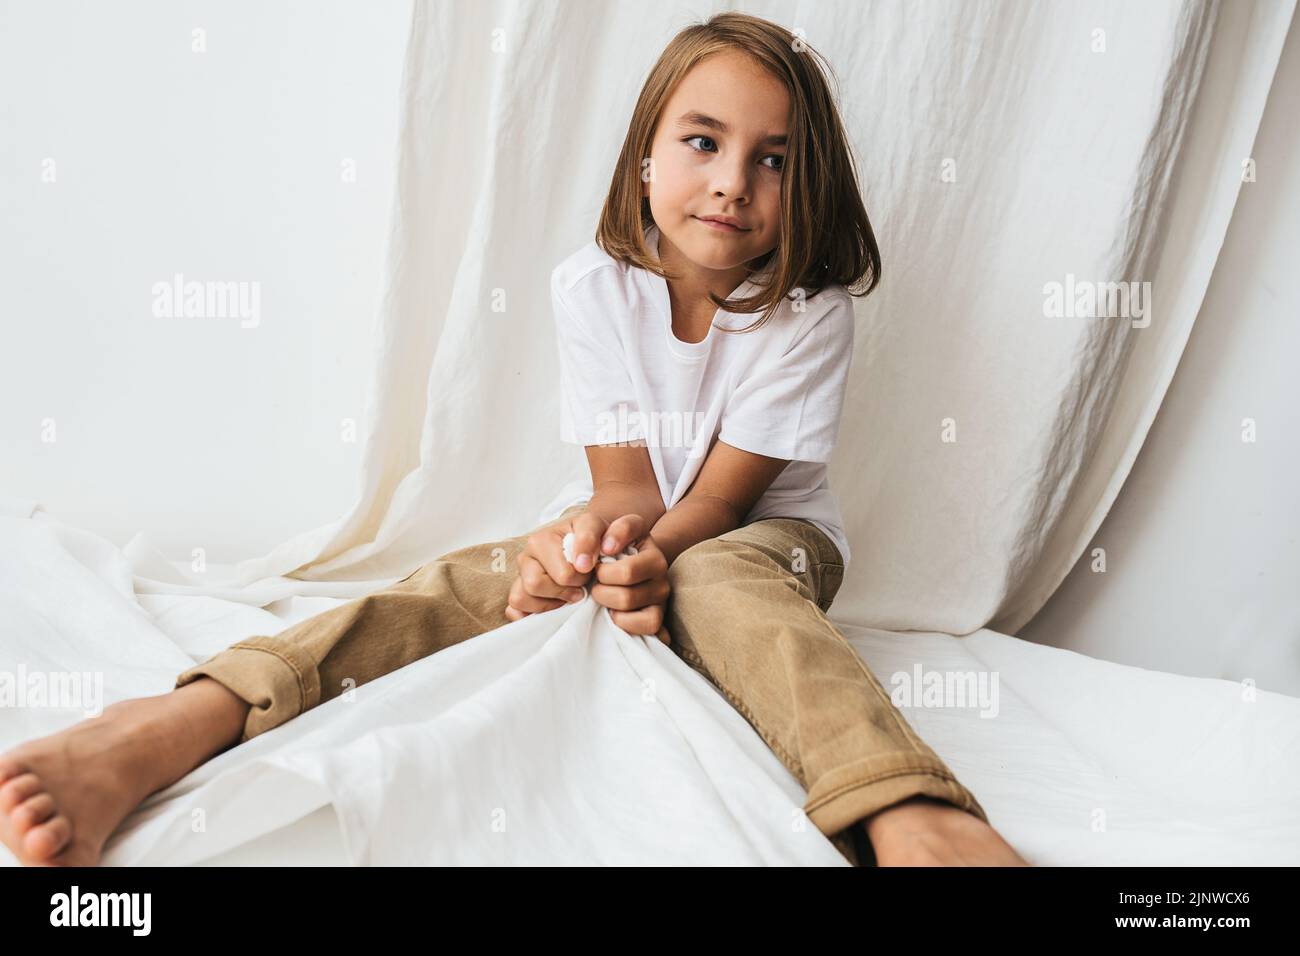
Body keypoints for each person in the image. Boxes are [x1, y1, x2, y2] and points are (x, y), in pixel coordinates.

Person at [0, 12, 1026, 867]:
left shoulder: (809, 316)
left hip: (770, 536)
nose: (731, 181)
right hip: (642, 525)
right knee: (469, 579)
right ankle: (192, 714)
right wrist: (588, 549)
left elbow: (721, 503)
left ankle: (905, 806)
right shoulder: (593, 287)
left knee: (717, 579)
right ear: (644, 162)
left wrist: (645, 560)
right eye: (703, 142)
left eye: (773, 160)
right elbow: (625, 485)